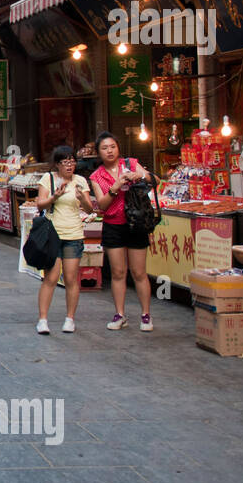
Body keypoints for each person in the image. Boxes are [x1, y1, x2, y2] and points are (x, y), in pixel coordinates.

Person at [90, 130, 153, 332]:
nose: (109, 151)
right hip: (113, 225)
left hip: (136, 223)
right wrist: (115, 187)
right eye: (104, 148)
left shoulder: (131, 164)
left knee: (139, 272)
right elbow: (102, 205)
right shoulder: (96, 176)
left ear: (118, 148)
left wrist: (140, 175)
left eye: (112, 147)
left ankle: (145, 315)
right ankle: (120, 315)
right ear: (98, 152)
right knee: (118, 272)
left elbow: (155, 180)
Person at [34, 146, 97, 335]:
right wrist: (55, 196)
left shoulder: (80, 181)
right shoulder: (49, 179)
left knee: (71, 278)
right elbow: (40, 203)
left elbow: (88, 209)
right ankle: (43, 320)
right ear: (57, 165)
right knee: (51, 278)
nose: (69, 166)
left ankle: (70, 319)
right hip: (53, 235)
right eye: (65, 162)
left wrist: (82, 198)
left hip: (74, 235)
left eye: (72, 162)